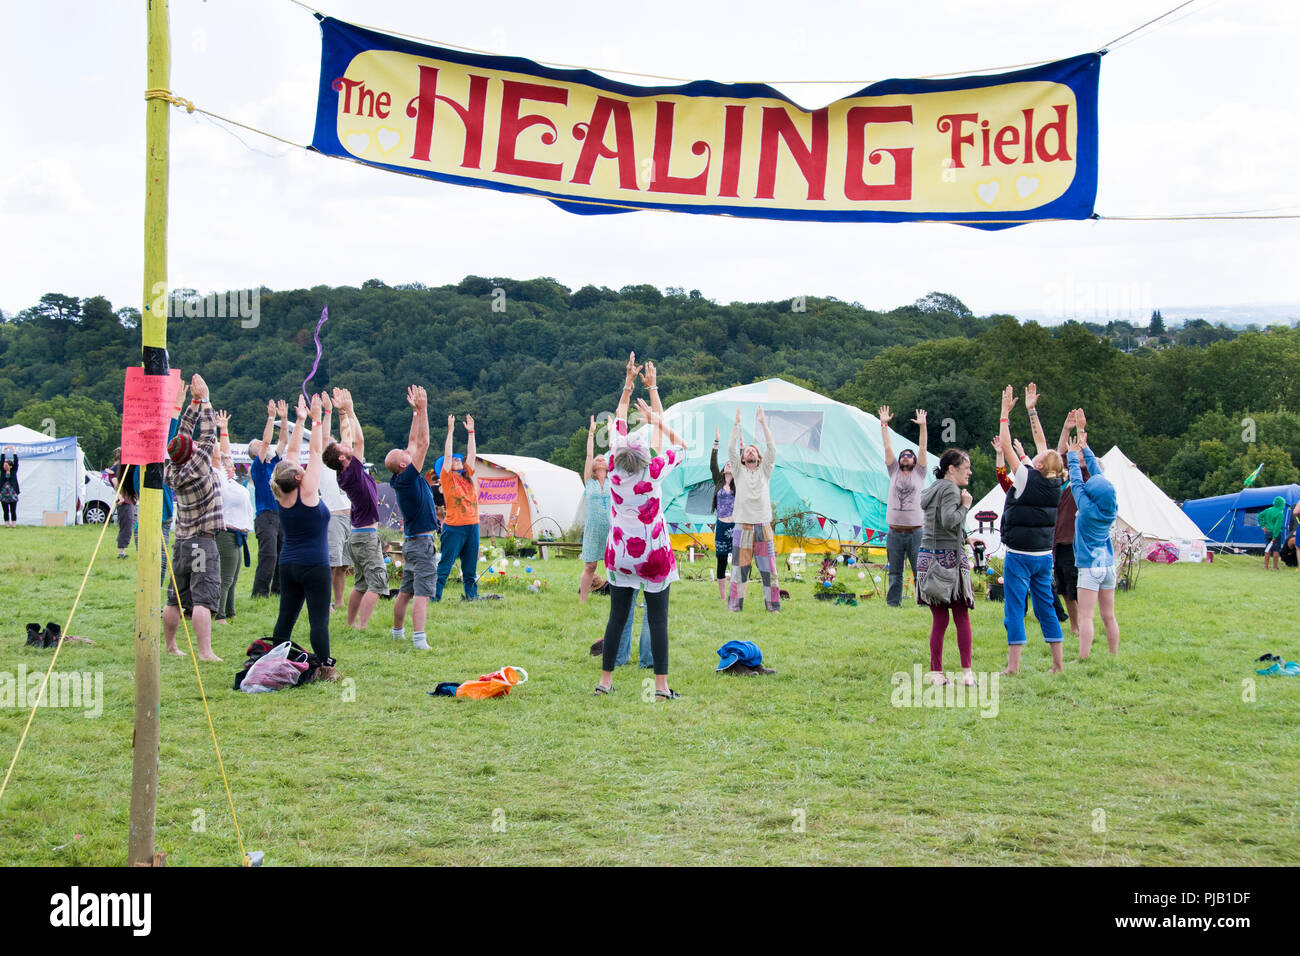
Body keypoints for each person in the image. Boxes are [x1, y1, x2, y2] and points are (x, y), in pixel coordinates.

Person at [595, 352, 687, 699]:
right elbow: (682, 446)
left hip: (620, 555)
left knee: (617, 618)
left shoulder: (616, 469)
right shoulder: (654, 469)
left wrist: (628, 385)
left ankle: (605, 682)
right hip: (654, 554)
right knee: (658, 619)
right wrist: (654, 403)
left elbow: (619, 416)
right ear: (647, 455)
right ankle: (660, 688)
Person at [998, 384, 1066, 675]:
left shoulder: (1025, 476)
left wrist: (1005, 413)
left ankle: (1013, 668)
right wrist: (1031, 410)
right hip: (1042, 555)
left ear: (1039, 464)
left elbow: (1005, 444)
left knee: (1014, 608)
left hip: (1019, 554)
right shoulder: (1056, 481)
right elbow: (1043, 444)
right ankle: (1057, 665)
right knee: (1046, 607)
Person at [269, 393, 338, 680]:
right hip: (315, 566)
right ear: (298, 477)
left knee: (286, 617)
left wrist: (299, 421)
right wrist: (317, 419)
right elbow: (317, 454)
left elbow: (292, 456)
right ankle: (325, 667)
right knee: (318, 620)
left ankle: (272, 661)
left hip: (289, 565)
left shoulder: (281, 492)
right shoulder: (307, 492)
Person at [162, 373, 224, 663]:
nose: (197, 446)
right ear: (192, 454)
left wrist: (194, 403)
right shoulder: (197, 467)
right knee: (203, 597)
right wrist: (207, 401)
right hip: (201, 543)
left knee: (175, 597)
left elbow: (183, 436)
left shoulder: (172, 468)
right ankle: (205, 652)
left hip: (182, 543)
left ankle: (171, 646)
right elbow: (210, 436)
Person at [323, 388, 387, 629]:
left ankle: (350, 624)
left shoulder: (347, 471)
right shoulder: (352, 471)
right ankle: (361, 626)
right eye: (341, 447)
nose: (345, 445)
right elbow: (358, 440)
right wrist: (350, 410)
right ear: (342, 458)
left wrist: (342, 414)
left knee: (360, 583)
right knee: (377, 582)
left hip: (358, 534)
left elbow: (348, 437)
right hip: (366, 536)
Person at [917, 448, 975, 685]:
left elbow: (940, 523)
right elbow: (949, 520)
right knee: (961, 615)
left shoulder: (933, 487)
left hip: (927, 558)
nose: (969, 472)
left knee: (940, 620)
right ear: (951, 469)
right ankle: (967, 675)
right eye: (966, 467)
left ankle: (936, 673)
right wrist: (966, 506)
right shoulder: (951, 489)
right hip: (948, 561)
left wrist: (966, 536)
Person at [385, 385, 436, 650]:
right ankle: (419, 640)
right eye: (406, 454)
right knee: (423, 592)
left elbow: (412, 443)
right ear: (405, 464)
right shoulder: (407, 476)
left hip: (412, 542)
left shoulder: (401, 477)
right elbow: (423, 443)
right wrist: (425, 408)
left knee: (405, 590)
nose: (409, 450)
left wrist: (415, 413)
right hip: (421, 543)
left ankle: (397, 633)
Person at [1065, 424, 1120, 658]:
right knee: (1109, 615)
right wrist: (1085, 448)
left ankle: (1083, 657)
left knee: (1087, 616)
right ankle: (1113, 655)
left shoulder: (1086, 509)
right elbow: (1098, 476)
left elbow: (1076, 482)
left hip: (1089, 567)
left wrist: (1071, 455)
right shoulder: (1110, 506)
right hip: (1108, 566)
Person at [728, 403, 780, 612]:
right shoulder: (739, 472)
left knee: (769, 570)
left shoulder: (765, 471)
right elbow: (731, 448)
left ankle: (773, 607)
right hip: (743, 527)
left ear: (759, 457)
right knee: (739, 570)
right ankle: (734, 607)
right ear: (742, 458)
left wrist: (763, 423)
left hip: (763, 526)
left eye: (753, 449)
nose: (750, 449)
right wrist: (736, 424)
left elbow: (772, 448)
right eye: (747, 449)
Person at [879, 406, 928, 607]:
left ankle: (924, 601)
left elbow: (923, 448)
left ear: (915, 461)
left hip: (916, 532)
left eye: (909, 455)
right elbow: (887, 446)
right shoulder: (893, 471)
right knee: (895, 571)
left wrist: (923, 426)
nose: (906, 456)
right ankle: (893, 603)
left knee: (920, 571)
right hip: (895, 532)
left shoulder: (920, 472)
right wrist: (884, 424)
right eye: (903, 455)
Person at [435, 413, 480, 602]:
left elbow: (472, 455)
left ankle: (472, 596)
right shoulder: (447, 478)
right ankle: (434, 597)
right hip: (454, 528)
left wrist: (471, 432)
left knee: (470, 567)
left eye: (457, 459)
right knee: (445, 565)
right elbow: (447, 455)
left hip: (472, 525)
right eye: (454, 460)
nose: (457, 460)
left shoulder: (466, 475)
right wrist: (451, 430)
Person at [214, 411, 253, 623]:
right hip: (226, 533)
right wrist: (221, 432)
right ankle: (219, 614)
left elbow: (226, 456)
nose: (231, 466)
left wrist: (224, 428)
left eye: (230, 464)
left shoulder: (235, 484)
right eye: (227, 465)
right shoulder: (220, 483)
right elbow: (222, 456)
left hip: (239, 535)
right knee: (225, 577)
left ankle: (230, 611)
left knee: (234, 577)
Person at [316, 393, 354, 610]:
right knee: (331, 563)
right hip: (333, 517)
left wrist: (344, 412)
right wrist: (328, 412)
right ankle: (325, 601)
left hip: (351, 516)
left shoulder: (346, 464)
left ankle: (339, 601)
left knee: (343, 564)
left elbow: (347, 436)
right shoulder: (324, 464)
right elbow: (323, 438)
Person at [248, 399, 289, 598]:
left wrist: (284, 419)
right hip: (265, 516)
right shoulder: (257, 467)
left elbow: (282, 442)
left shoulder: (274, 463)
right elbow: (266, 443)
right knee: (269, 555)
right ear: (254, 453)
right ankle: (259, 593)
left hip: (280, 513)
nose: (264, 445)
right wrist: (271, 418)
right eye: (258, 445)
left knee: (282, 554)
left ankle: (278, 590)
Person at [579, 415, 612, 603]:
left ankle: (616, 597)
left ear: (608, 466)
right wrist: (591, 433)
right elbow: (589, 455)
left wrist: (610, 430)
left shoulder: (612, 481)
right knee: (590, 565)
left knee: (612, 565)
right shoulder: (588, 481)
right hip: (593, 529)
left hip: (610, 528)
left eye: (603, 458)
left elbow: (613, 450)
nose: (599, 459)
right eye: (597, 459)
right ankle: (583, 599)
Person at [710, 426, 736, 602]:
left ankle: (735, 594)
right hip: (720, 524)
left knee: (737, 561)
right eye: (726, 463)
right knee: (721, 560)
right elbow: (712, 464)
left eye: (731, 463)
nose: (728, 464)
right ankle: (721, 597)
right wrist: (716, 442)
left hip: (735, 525)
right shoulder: (718, 481)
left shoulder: (739, 484)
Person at [112, 447, 138, 557]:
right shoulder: (117, 467)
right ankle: (121, 551)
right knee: (126, 526)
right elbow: (114, 481)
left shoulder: (122, 466)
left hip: (129, 500)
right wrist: (120, 497)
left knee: (131, 524)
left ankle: (123, 549)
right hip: (125, 501)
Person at [1259, 495, 1288, 571]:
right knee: (1276, 550)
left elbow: (1259, 516)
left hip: (1267, 532)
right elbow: (1277, 526)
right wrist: (1275, 537)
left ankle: (1266, 566)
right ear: (1281, 504)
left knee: (1267, 549)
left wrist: (1263, 526)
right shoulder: (1280, 513)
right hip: (1275, 534)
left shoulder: (1268, 510)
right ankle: (1275, 567)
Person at [0, 448, 19, 527]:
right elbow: (1, 461)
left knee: (13, 510)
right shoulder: (3, 471)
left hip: (12, 494)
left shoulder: (13, 471)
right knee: (5, 510)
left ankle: (13, 524)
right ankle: (7, 524)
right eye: (4, 465)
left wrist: (14, 452)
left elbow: (16, 462)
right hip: (4, 494)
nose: (5, 466)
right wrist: (3, 451)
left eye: (6, 465)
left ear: (10, 466)